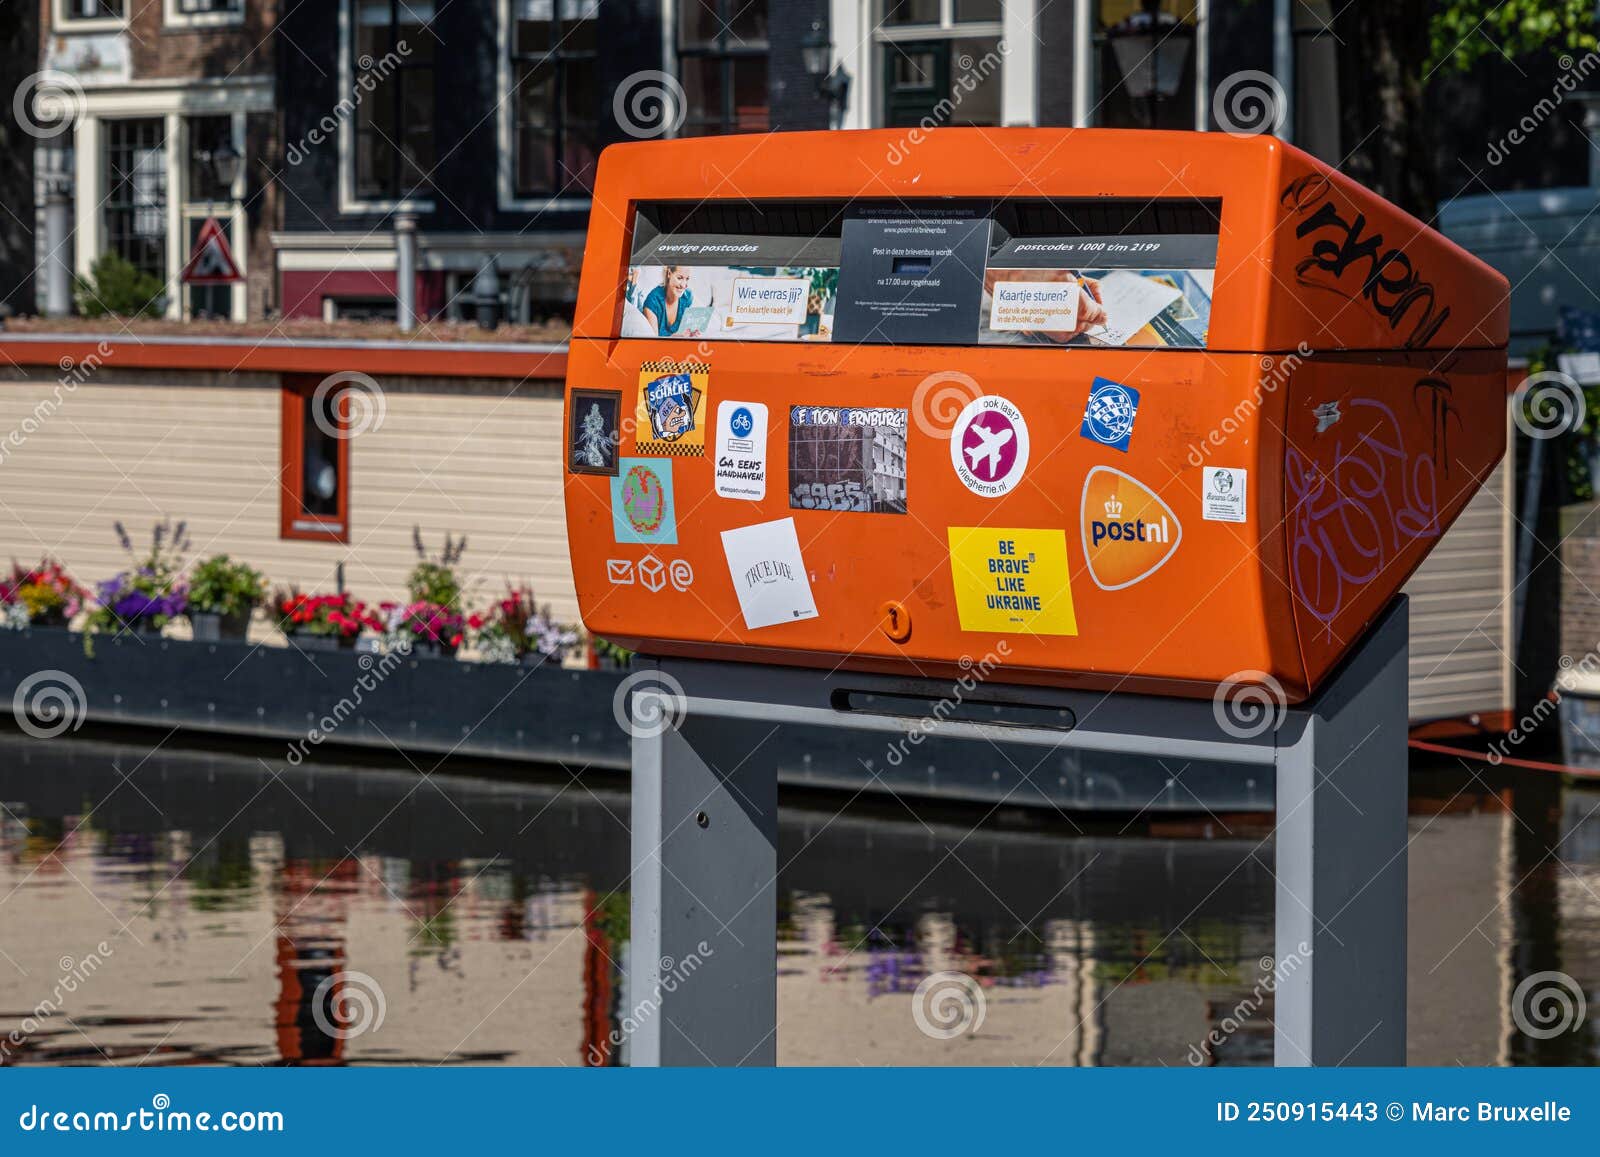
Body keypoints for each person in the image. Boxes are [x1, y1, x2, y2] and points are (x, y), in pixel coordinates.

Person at [641, 267, 693, 337]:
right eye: (679, 278)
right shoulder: (653, 302)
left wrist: (691, 334)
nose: (683, 285)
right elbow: (652, 344)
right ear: (669, 274)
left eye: (687, 279)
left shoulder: (687, 297)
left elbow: (686, 329)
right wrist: (675, 337)